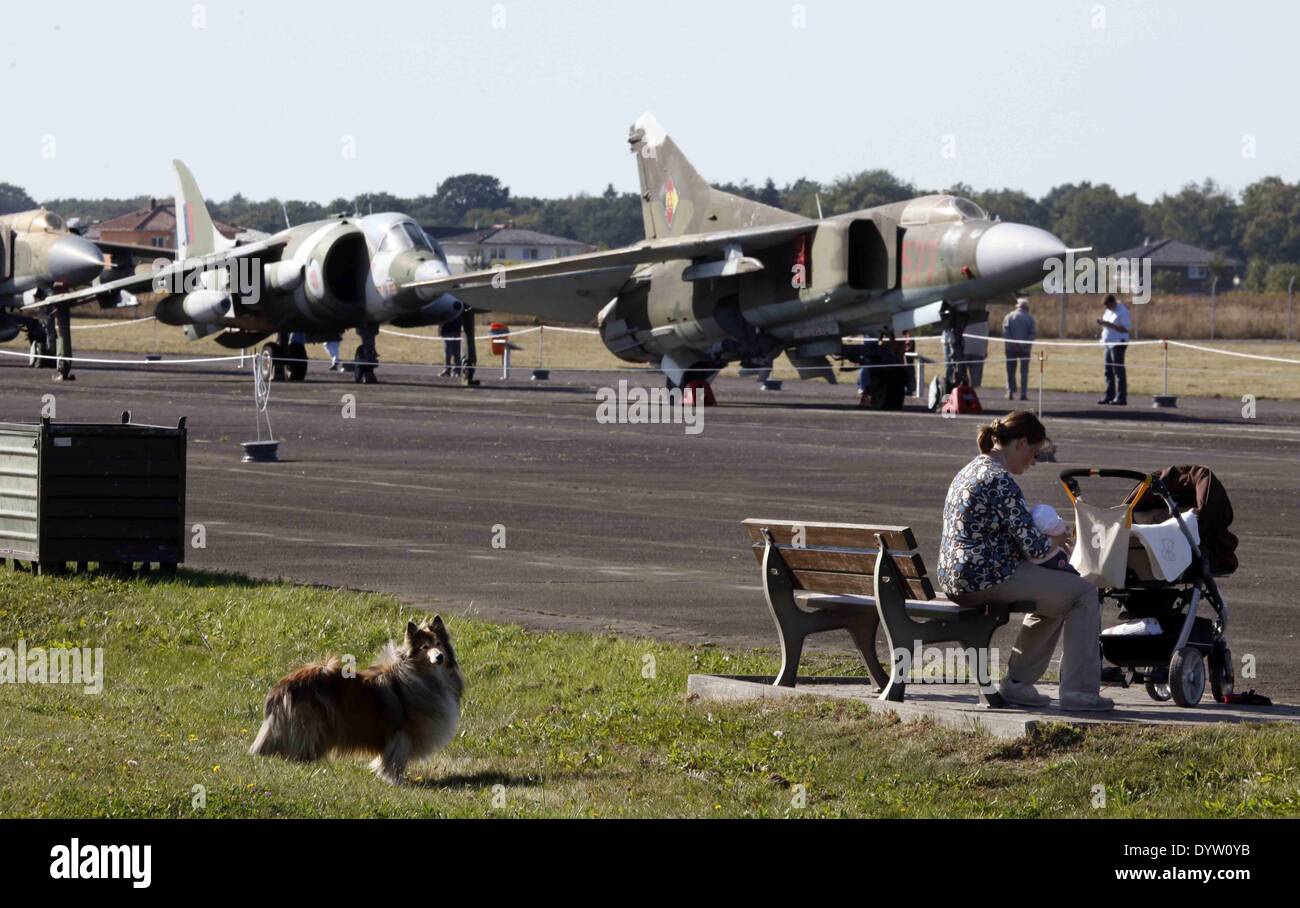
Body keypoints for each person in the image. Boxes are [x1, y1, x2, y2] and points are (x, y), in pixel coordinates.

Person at [936, 412, 1113, 711]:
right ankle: (1079, 693)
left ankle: (1019, 685)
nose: (1033, 462)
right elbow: (1034, 548)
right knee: (1082, 592)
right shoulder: (1000, 480)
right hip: (985, 577)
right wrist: (1057, 540)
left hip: (956, 575)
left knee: (1059, 593)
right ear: (1019, 444)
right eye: (1034, 453)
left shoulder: (970, 470)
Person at [1097, 294, 1130, 405]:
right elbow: (1107, 324)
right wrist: (1102, 323)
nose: (1107, 308)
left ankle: (1121, 397)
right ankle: (1109, 395)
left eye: (1108, 306)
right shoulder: (1108, 311)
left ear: (1113, 302)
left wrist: (1109, 325)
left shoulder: (1122, 311)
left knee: (1118, 371)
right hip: (1108, 343)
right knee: (1108, 371)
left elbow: (1126, 329)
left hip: (1118, 343)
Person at [1001, 298, 1036, 400]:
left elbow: (1006, 333)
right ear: (1026, 307)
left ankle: (1010, 392)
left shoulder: (1009, 317)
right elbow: (1032, 334)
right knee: (1024, 372)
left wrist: (1012, 343)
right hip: (1025, 349)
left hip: (1010, 348)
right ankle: (1023, 394)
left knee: (1010, 371)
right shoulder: (1030, 318)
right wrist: (1023, 344)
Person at [439, 313, 463, 377]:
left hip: (457, 331)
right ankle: (447, 369)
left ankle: (457, 370)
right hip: (446, 331)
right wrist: (440, 329)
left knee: (457, 352)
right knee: (448, 352)